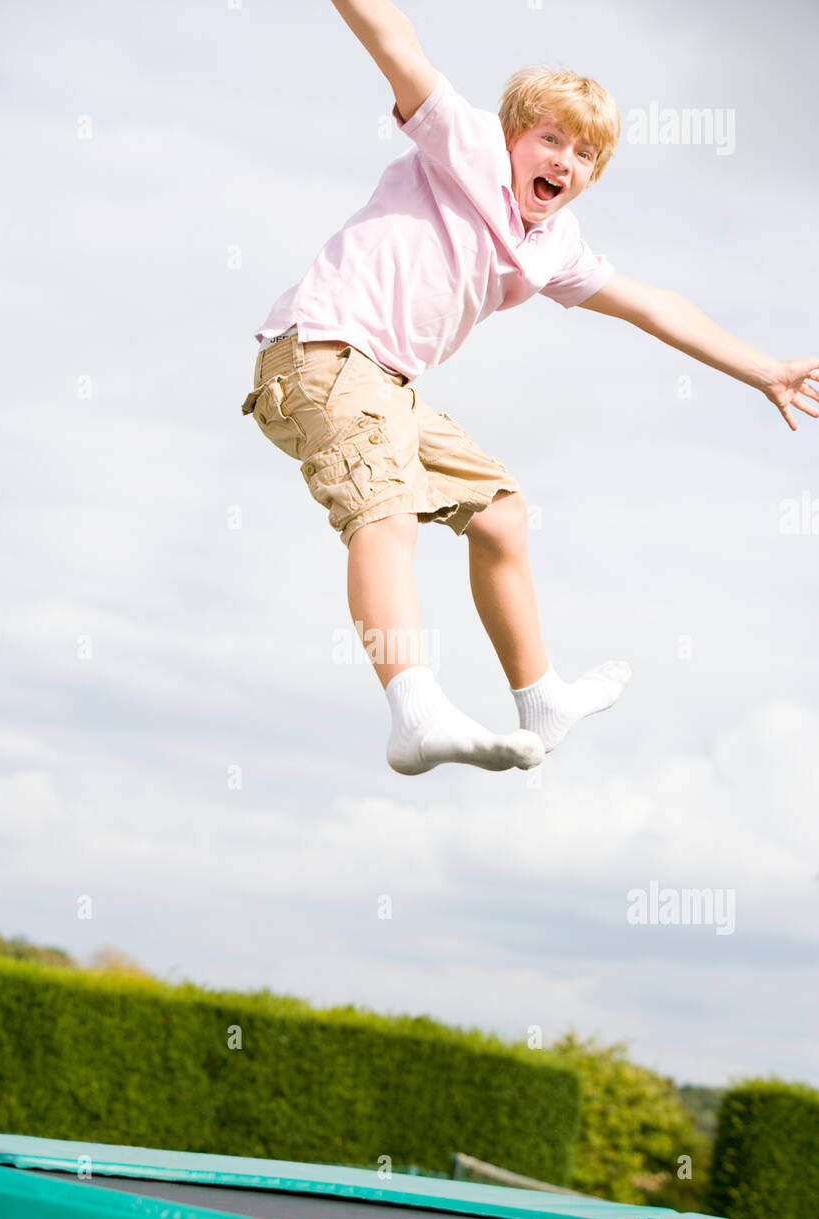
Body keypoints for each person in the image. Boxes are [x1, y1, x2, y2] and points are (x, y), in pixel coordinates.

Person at [243, 0, 819, 776]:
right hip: (323, 356)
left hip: (389, 388)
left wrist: (765, 370)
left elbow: (651, 305)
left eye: (582, 154)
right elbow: (394, 41)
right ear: (514, 135)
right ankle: (414, 711)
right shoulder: (464, 143)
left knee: (503, 515)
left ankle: (540, 697)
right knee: (386, 511)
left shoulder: (554, 245)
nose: (562, 160)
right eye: (549, 138)